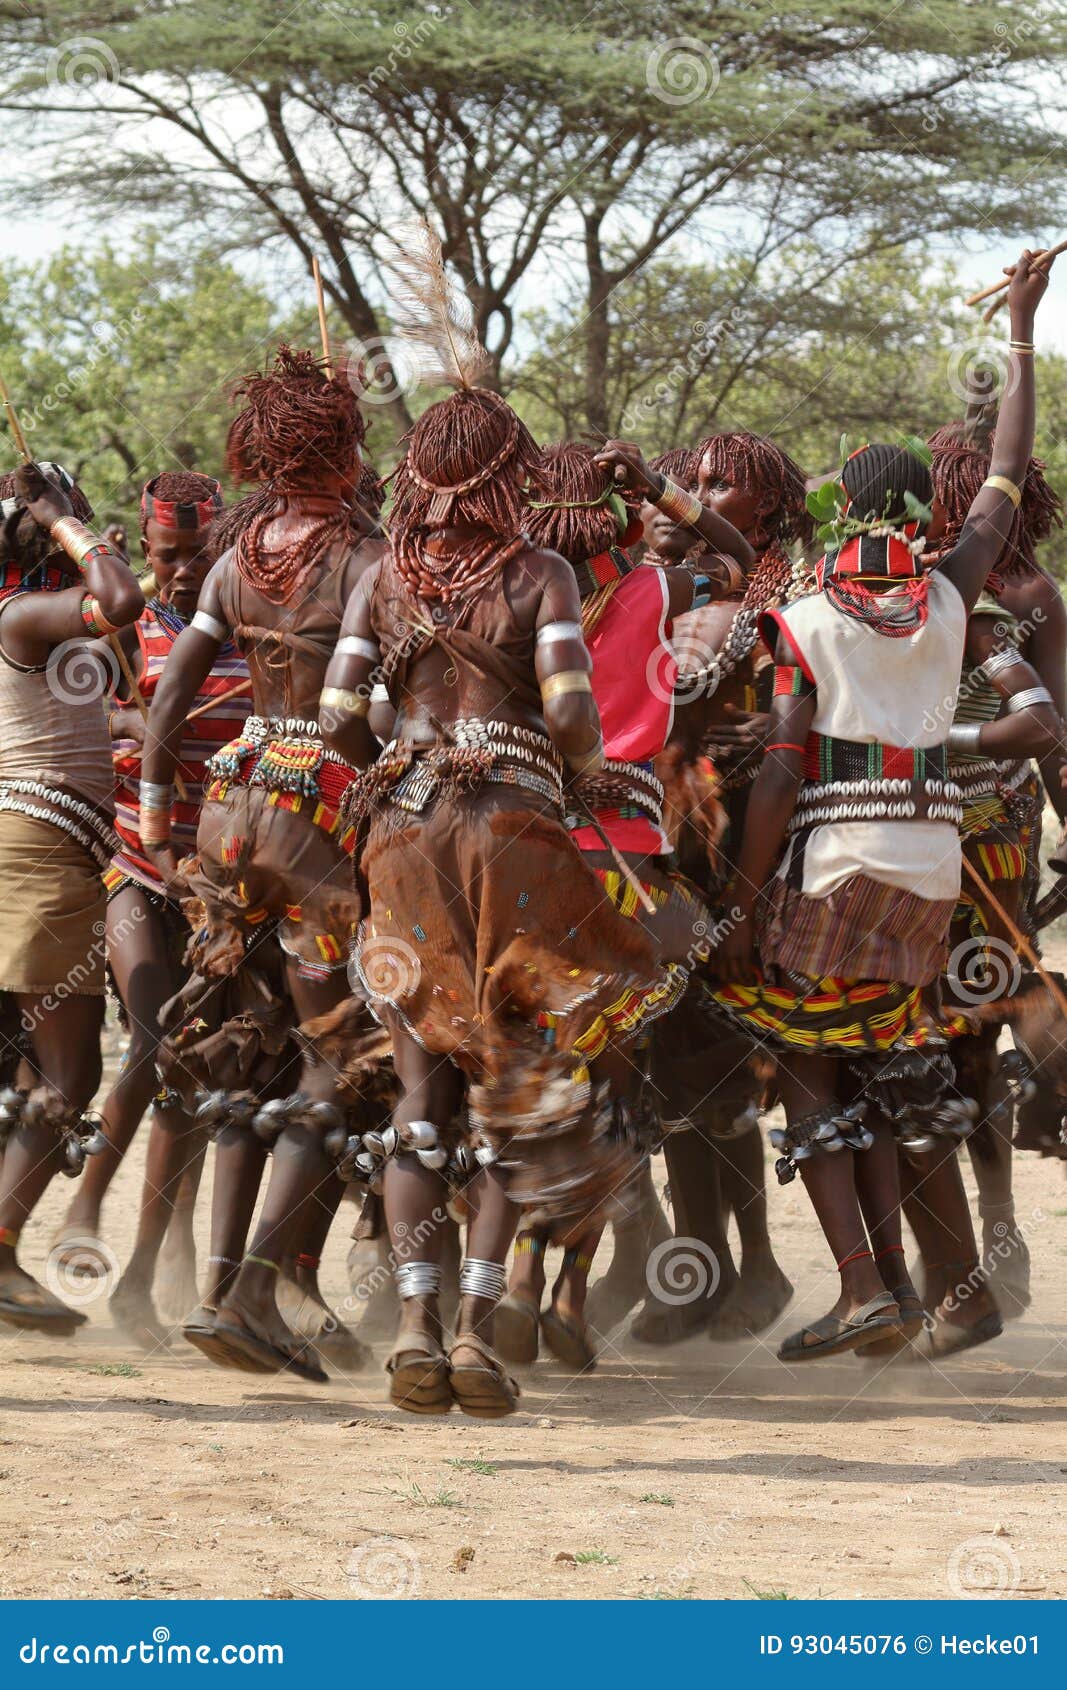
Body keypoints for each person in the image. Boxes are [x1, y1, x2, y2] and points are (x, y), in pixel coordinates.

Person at [711, 251, 1054, 1362]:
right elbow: (1006, 465)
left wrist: (740, 891)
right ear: (922, 511)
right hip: (932, 864)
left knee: (800, 1049)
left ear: (833, 506)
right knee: (892, 1049)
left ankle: (867, 1286)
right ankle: (934, 1288)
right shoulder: (956, 588)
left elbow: (775, 769)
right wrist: (1019, 329)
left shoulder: (802, 616)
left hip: (835, 862)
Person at [321, 380, 676, 1417]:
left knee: (420, 1101)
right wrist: (570, 774)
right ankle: (481, 1328)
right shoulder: (539, 571)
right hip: (513, 840)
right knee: (512, 1083)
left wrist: (396, 770)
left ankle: (414, 1326)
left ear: (421, 474)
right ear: (506, 473)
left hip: (399, 840)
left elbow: (341, 715)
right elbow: (569, 706)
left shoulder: (380, 575)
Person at [139, 347, 386, 1380]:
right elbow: (365, 718)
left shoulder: (239, 558)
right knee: (344, 1058)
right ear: (339, 449)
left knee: (248, 1047)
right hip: (319, 825)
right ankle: (248, 1289)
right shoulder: (370, 558)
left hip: (228, 822)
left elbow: (166, 704)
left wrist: (157, 822)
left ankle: (220, 1292)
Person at [493, 439, 743, 1369]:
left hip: (527, 857)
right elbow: (738, 563)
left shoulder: (513, 588)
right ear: (622, 513)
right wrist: (665, 490)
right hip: (629, 857)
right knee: (615, 1084)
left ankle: (519, 1267)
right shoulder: (657, 588)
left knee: (533, 1071)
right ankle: (566, 1294)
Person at [53, 471, 252, 1349]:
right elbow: (55, 715)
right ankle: (89, 1203)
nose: (180, 572)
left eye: (198, 555)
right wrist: (121, 726)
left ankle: (150, 1265)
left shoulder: (258, 627)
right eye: (168, 556)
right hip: (137, 860)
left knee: (201, 1070)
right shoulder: (118, 626)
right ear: (144, 547)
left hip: (229, 879)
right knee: (160, 1034)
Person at [630, 431, 809, 1344]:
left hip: (748, 857)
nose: (693, 497)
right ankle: (692, 1273)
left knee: (724, 1070)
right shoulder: (664, 592)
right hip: (662, 856)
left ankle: (758, 1268)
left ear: (768, 507)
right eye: (688, 480)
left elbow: (787, 743)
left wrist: (741, 890)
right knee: (671, 1069)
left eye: (715, 486)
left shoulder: (785, 602)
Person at [0, 460, 144, 1333]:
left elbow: (120, 670)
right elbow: (121, 603)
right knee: (70, 1074)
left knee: (27, 1077)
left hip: (46, 852)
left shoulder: (38, 620)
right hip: (39, 854)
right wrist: (70, 524)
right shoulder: (24, 615)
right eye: (73, 515)